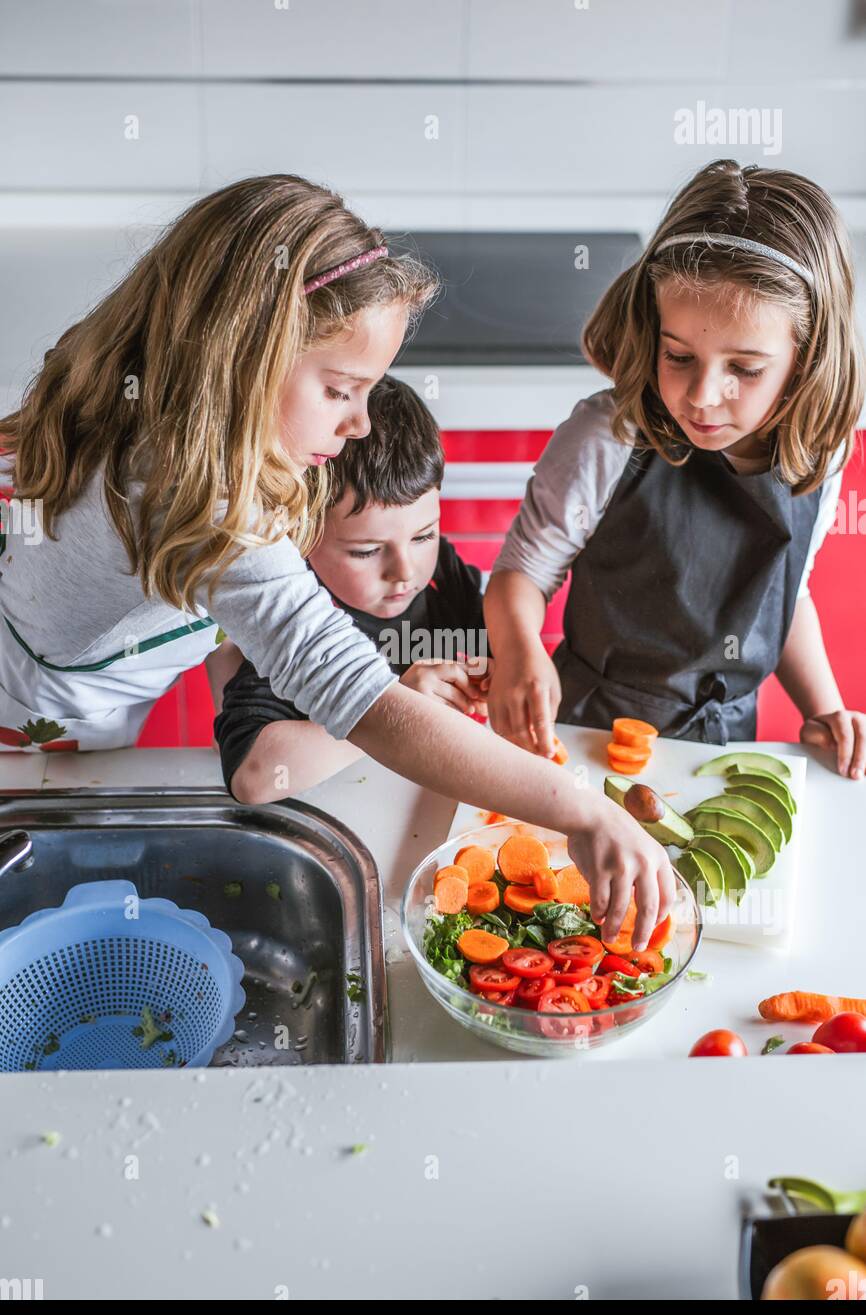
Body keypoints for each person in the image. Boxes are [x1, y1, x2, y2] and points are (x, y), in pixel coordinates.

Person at [0, 174, 673, 947]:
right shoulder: (204, 497)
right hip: (37, 722)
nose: (358, 422)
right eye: (340, 389)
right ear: (246, 359)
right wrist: (581, 808)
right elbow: (363, 702)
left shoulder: (153, 390)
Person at [484, 159, 866, 781]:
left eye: (743, 368)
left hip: (724, 755)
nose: (702, 395)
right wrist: (520, 653)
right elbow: (519, 577)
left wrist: (825, 710)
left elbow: (784, 598)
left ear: (809, 357)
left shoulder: (819, 457)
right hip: (588, 739)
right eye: (679, 355)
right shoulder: (607, 439)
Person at [215, 374, 491, 802]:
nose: (404, 571)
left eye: (423, 537)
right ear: (301, 538)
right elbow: (253, 778)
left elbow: (487, 642)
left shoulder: (439, 573)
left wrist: (501, 669)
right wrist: (397, 709)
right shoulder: (289, 621)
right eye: (366, 551)